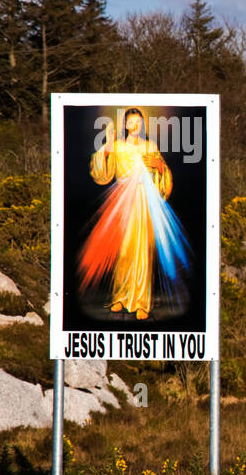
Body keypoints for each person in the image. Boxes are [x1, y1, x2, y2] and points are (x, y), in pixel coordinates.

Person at [77, 107, 190, 320]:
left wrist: (159, 166)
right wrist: (108, 147)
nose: (136, 126)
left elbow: (163, 175)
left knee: (142, 251)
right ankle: (120, 297)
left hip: (143, 199)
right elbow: (102, 173)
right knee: (123, 251)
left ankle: (141, 301)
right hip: (121, 200)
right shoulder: (118, 146)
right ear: (126, 125)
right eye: (132, 122)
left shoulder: (150, 146)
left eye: (139, 122)